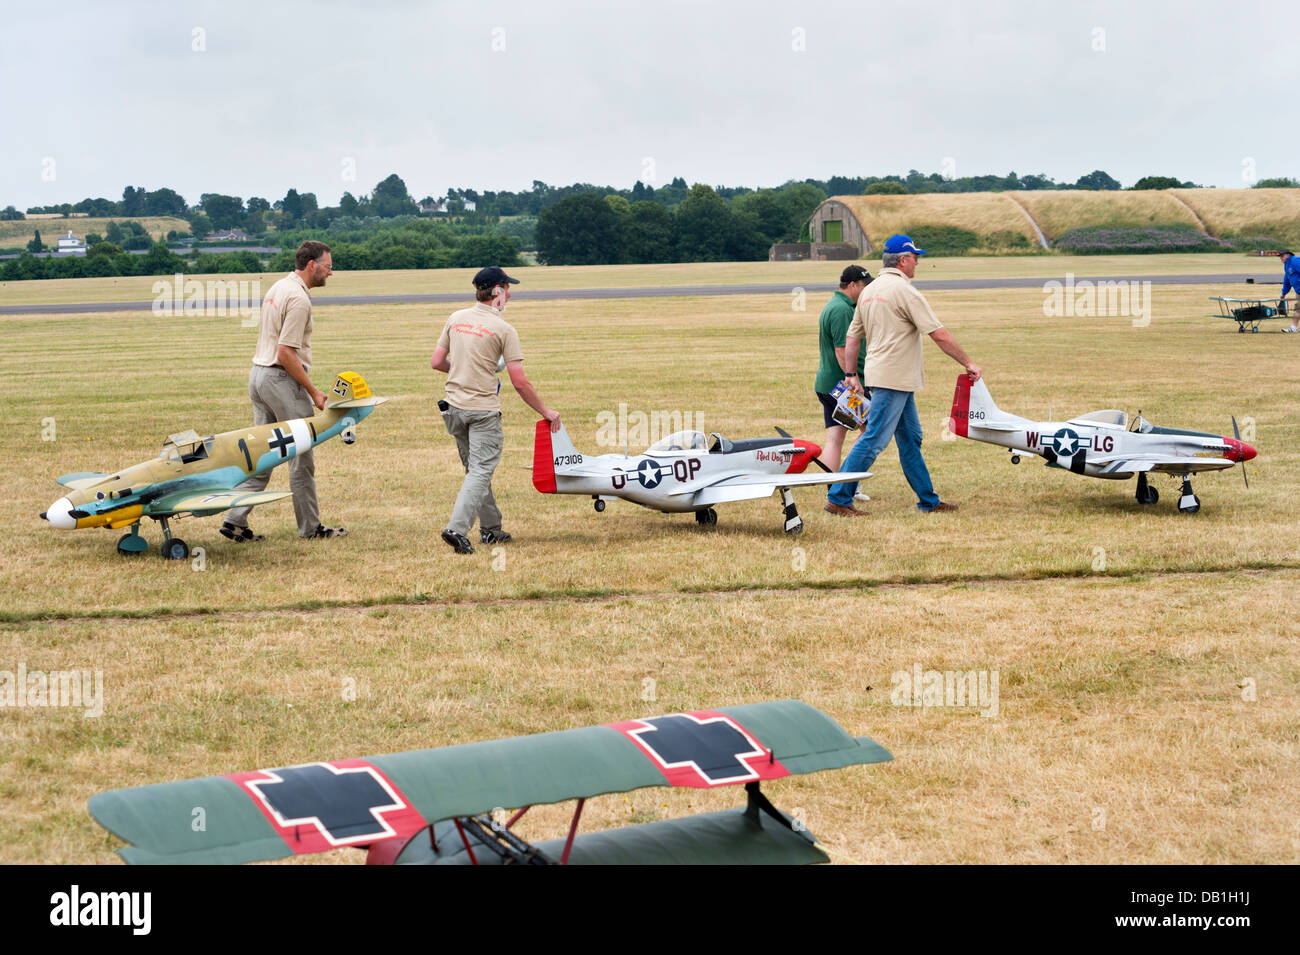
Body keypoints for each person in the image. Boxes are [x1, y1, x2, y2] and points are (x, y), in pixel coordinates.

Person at [825, 235, 982, 516]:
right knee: (874, 439)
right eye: (915, 258)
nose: (918, 263)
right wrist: (968, 362)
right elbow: (939, 334)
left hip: (884, 376)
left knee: (911, 438)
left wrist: (851, 373)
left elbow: (852, 337)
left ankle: (928, 500)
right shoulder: (904, 290)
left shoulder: (870, 291)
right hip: (894, 378)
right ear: (903, 260)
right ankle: (838, 496)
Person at [430, 266, 561, 554]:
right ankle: (457, 529)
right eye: (507, 289)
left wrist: (464, 370)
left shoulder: (456, 318)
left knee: (475, 471)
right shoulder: (504, 329)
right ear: (497, 292)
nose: (510, 294)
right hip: (482, 410)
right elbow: (520, 382)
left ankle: (491, 530)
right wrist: (546, 411)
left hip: (454, 409)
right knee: (480, 471)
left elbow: (437, 361)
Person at [223, 240, 346, 541]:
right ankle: (311, 528)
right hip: (280, 379)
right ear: (312, 265)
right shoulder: (299, 299)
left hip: (258, 377)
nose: (331, 273)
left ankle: (234, 520)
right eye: (328, 267)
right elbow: (286, 353)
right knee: (301, 455)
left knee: (261, 453)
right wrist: (315, 393)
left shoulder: (279, 286)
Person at [814, 265, 873, 480]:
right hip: (844, 386)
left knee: (835, 438)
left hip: (827, 384)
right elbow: (842, 349)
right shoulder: (842, 310)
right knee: (872, 431)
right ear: (852, 285)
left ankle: (833, 485)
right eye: (864, 286)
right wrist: (853, 379)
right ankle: (849, 481)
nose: (867, 291)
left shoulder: (835, 305)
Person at [1278, 251, 1299, 332]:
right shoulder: (1287, 265)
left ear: (1288, 255)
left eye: (1282, 256)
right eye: (1280, 256)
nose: (1281, 258)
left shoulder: (1295, 261)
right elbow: (1287, 280)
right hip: (1299, 291)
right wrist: (1283, 293)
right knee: (1298, 309)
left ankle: (1294, 327)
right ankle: (1294, 328)